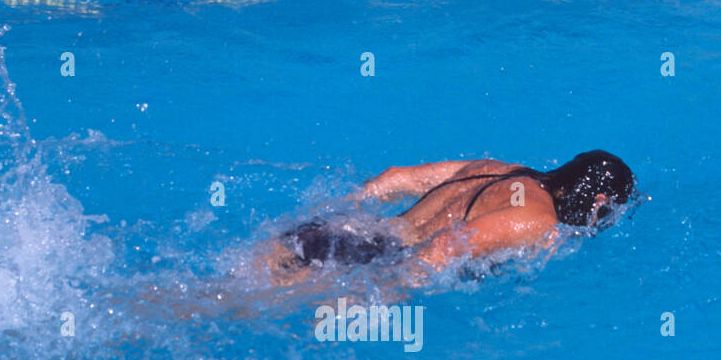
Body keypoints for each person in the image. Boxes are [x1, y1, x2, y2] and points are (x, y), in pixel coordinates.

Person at [263, 150, 635, 285]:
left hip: (338, 231)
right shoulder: (537, 218)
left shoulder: (495, 167)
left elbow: (392, 179)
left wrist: (348, 206)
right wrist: (375, 298)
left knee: (218, 296)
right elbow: (441, 248)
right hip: (363, 262)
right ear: (598, 202)